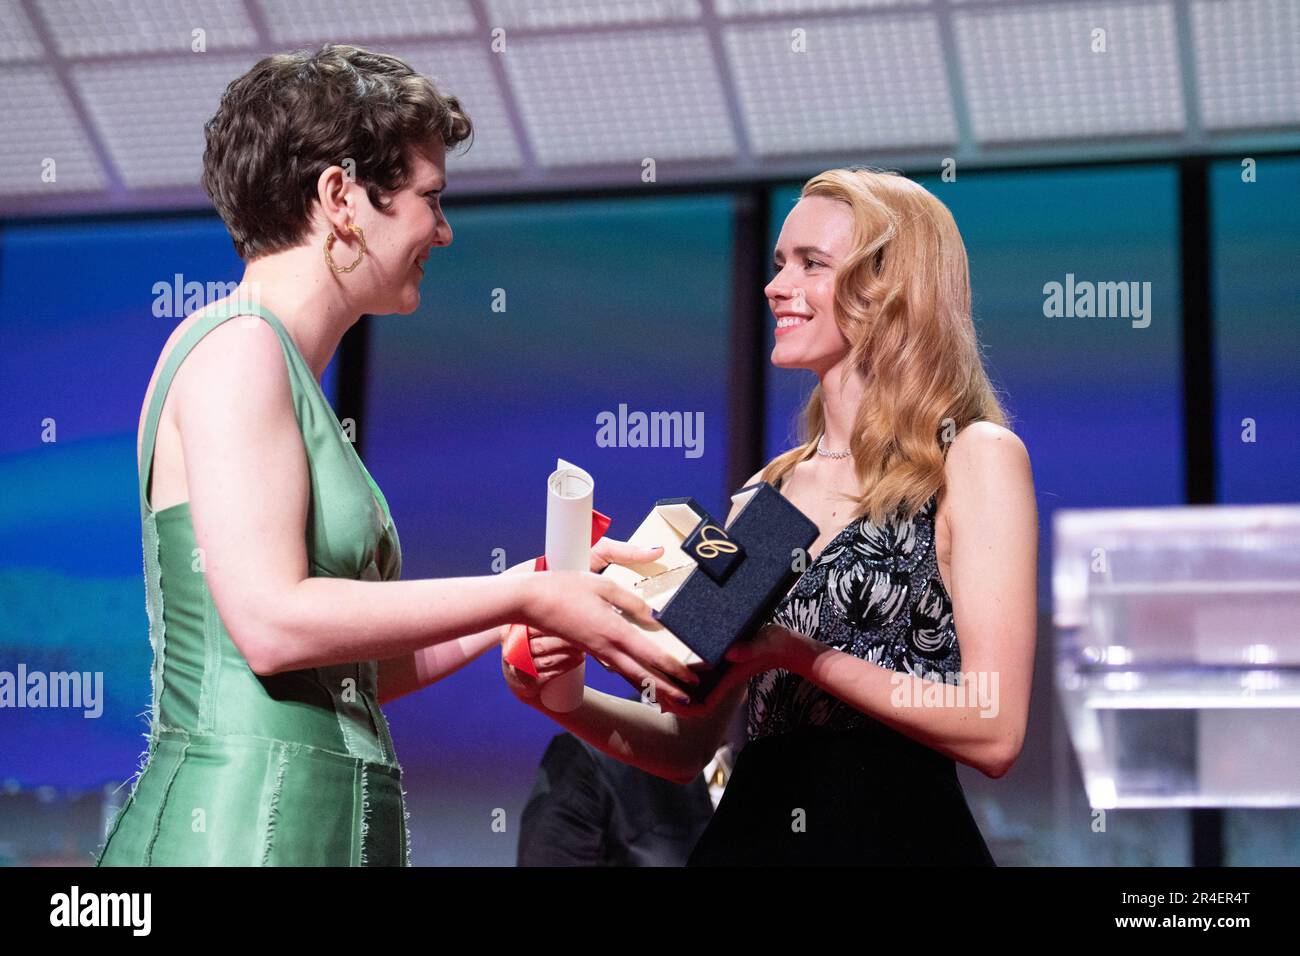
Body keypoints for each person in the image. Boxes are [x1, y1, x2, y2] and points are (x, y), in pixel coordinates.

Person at [95, 44, 696, 867]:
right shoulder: (239, 348)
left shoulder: (273, 364)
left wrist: (527, 603)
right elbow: (271, 624)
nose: (443, 233)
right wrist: (517, 591)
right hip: (237, 835)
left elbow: (357, 671)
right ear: (341, 196)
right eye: (430, 200)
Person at [502, 167, 1038, 865]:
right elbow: (686, 744)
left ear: (889, 290)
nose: (775, 285)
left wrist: (800, 657)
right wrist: (559, 701)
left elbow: (995, 729)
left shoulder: (971, 458)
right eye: (780, 261)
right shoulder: (767, 493)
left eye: (811, 264)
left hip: (895, 838)